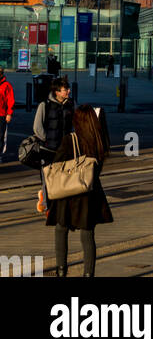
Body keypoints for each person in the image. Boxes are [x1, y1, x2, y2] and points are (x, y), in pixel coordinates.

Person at [46, 104, 112, 277]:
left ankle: (61, 270)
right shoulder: (100, 140)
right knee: (88, 234)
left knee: (61, 229)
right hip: (90, 192)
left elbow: (57, 165)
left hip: (69, 192)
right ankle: (88, 274)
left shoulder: (70, 139)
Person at [34, 77, 75, 214]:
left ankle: (61, 205)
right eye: (65, 90)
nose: (68, 91)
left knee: (65, 177)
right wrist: (47, 140)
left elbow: (75, 125)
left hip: (65, 148)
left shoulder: (71, 104)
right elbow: (37, 127)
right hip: (48, 148)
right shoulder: (44, 105)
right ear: (57, 92)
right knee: (48, 179)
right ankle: (47, 206)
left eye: (68, 89)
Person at [0, 67, 14, 160]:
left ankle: (0, 154)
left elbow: (10, 100)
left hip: (1, 115)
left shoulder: (6, 85)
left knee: (1, 136)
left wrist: (9, 114)